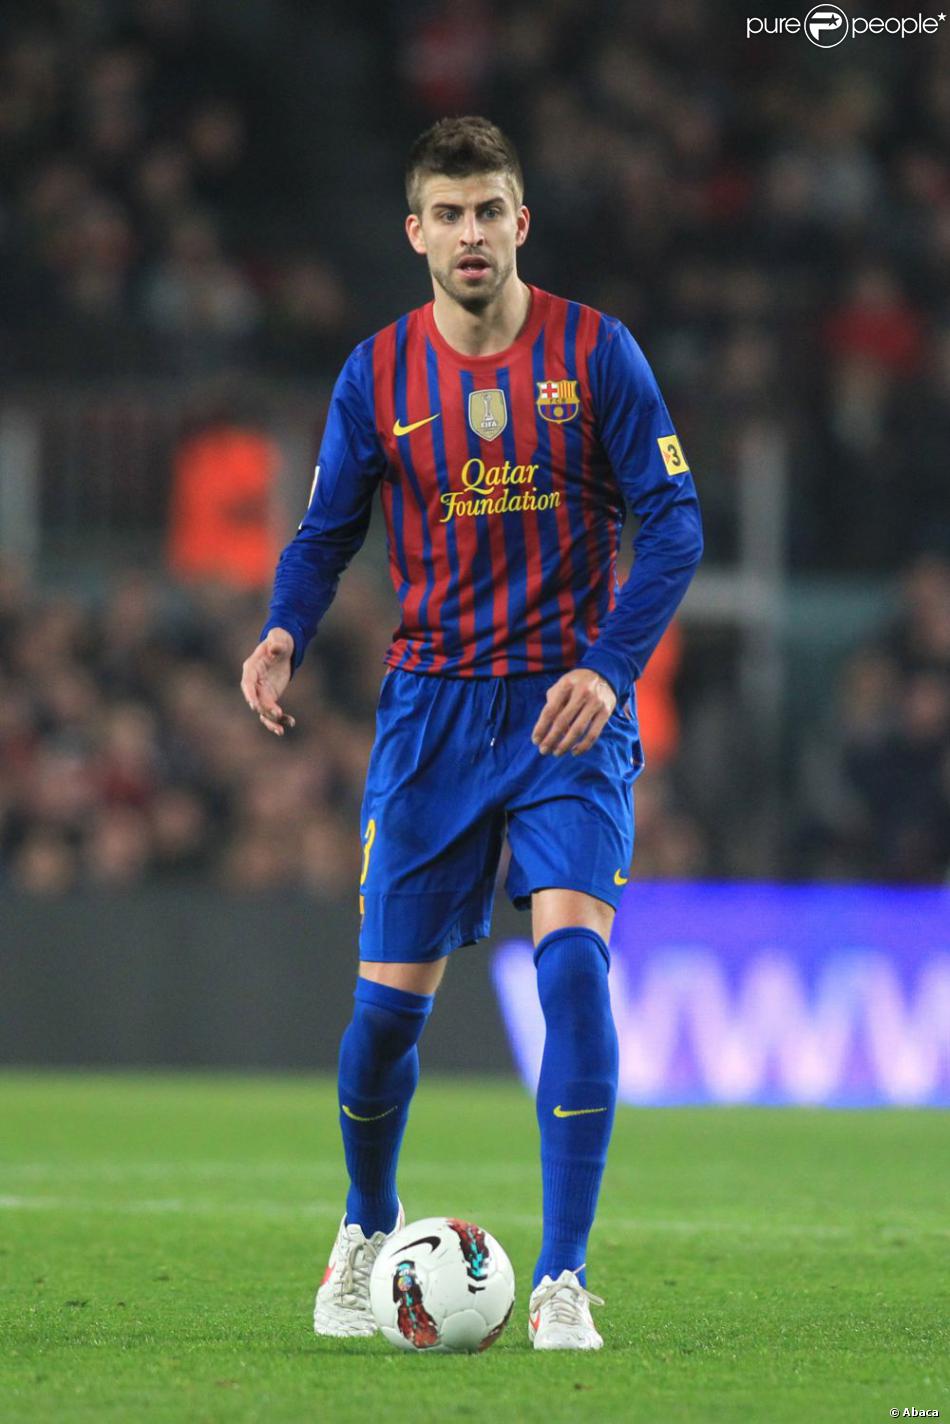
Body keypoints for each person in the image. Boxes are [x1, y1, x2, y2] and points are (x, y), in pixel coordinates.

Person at [240, 116, 702, 1351]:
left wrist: (609, 670)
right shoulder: (375, 374)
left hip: (562, 708)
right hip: (432, 713)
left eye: (487, 209)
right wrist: (284, 628)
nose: (469, 234)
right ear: (414, 234)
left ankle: (560, 1276)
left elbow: (671, 523)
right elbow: (325, 529)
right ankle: (362, 1222)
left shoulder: (595, 353)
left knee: (567, 969)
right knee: (387, 1017)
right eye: (446, 214)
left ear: (519, 221)